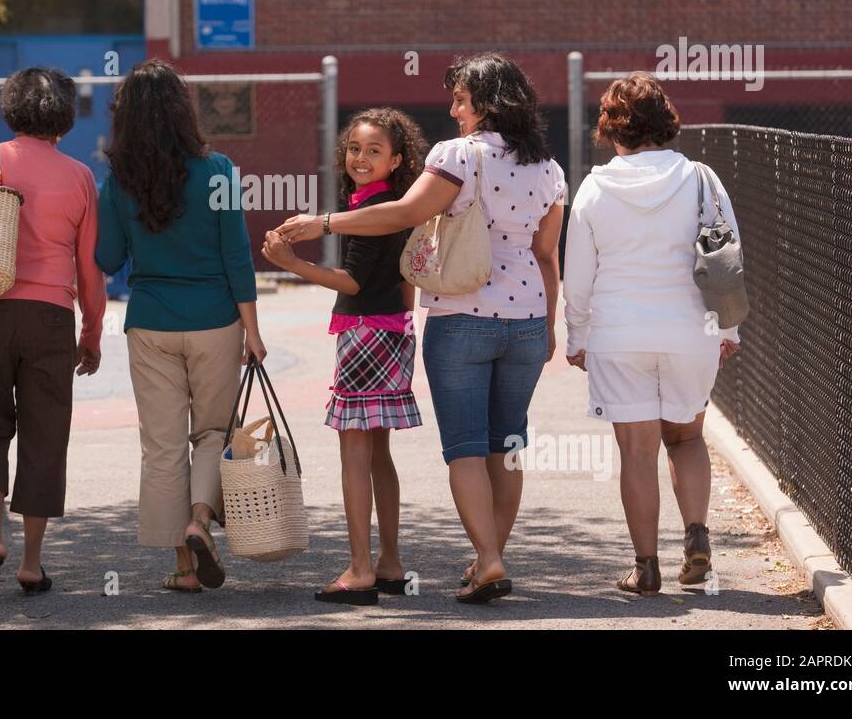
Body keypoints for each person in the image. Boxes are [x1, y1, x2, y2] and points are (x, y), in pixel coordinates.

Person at [277, 53, 565, 602]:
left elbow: (403, 213)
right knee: (506, 444)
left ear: (485, 103)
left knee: (464, 448)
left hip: (463, 318)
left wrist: (324, 222)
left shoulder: (458, 155)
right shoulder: (547, 167)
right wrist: (549, 323)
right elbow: (547, 253)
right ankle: (489, 559)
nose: (453, 109)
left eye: (460, 98)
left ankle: (490, 559)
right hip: (527, 317)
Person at [563, 72, 741, 595]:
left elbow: (579, 274)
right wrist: (726, 326)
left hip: (620, 333)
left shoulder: (595, 187)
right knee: (686, 437)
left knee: (636, 451)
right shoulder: (702, 179)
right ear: (666, 121)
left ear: (611, 128)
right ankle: (697, 538)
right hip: (692, 328)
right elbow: (728, 257)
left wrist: (578, 335)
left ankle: (644, 568)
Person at [94, 59, 266, 592]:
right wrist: (252, 331)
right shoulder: (218, 170)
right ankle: (199, 523)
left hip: (150, 322)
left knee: (163, 445)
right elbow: (237, 255)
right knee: (212, 433)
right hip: (216, 320)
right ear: (180, 110)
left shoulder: (119, 179)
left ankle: (184, 569)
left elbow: (106, 258)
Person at [0, 66, 106, 595]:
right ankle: (31, 563)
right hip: (51, 319)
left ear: (10, 107)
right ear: (63, 116)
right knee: (44, 437)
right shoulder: (80, 176)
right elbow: (89, 267)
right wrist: (92, 331)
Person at [262, 107, 429, 605]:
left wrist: (292, 264)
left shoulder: (371, 210)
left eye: (374, 150)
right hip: (392, 331)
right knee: (379, 453)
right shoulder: (391, 204)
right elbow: (404, 284)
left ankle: (360, 569)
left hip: (364, 336)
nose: (361, 157)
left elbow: (351, 281)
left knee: (354, 455)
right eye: (354, 148)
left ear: (397, 159)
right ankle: (390, 564)